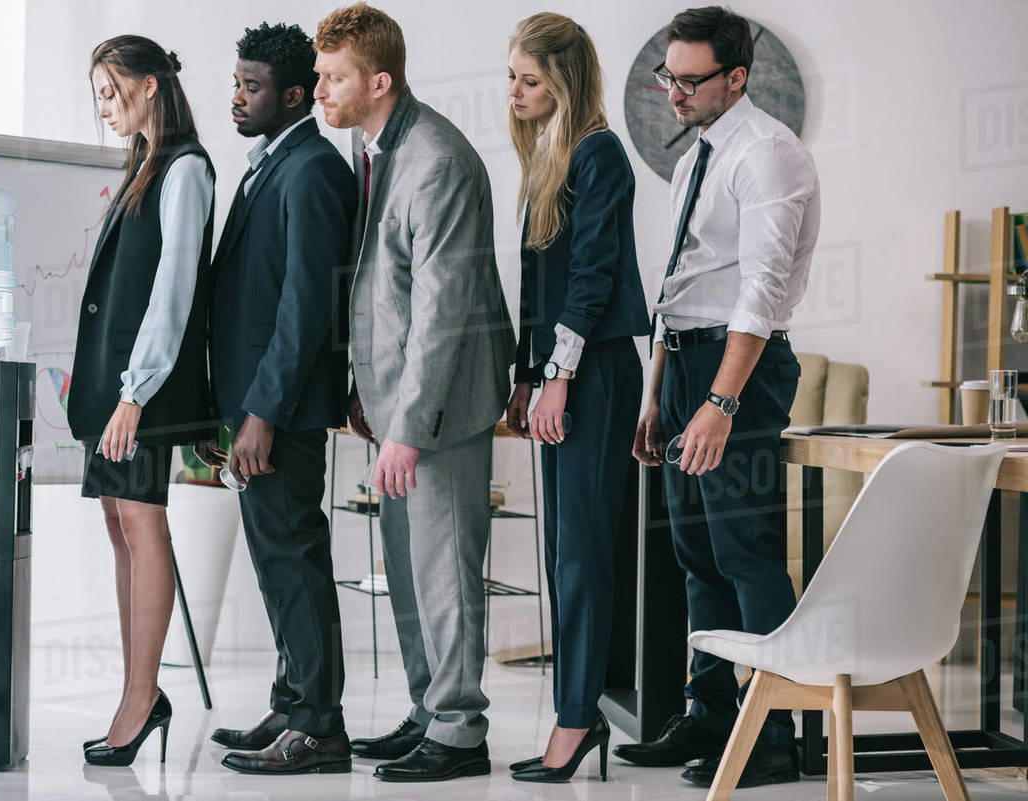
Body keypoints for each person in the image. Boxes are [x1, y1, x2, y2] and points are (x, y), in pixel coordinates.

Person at [313, 2, 515, 782]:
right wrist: (372, 396)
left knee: (444, 570)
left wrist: (411, 425)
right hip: (395, 403)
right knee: (406, 567)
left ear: (380, 80)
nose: (321, 90)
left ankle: (462, 729)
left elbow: (443, 309)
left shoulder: (436, 159)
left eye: (335, 78)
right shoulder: (377, 148)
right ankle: (430, 708)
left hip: (442, 404)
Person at [623, 5, 821, 790]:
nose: (674, 90)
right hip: (682, 367)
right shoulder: (696, 155)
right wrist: (656, 393)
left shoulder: (771, 155)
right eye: (669, 74)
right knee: (694, 554)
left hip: (739, 374)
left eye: (691, 78)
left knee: (745, 552)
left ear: (737, 76)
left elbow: (759, 297)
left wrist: (721, 402)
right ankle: (711, 713)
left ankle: (771, 734)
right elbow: (683, 292)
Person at [196, 21, 357, 776]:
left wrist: (260, 412)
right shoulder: (271, 164)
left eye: (252, 86)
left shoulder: (314, 169)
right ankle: (294, 702)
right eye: (236, 82)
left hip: (280, 412)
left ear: (295, 95)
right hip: (250, 406)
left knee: (294, 560)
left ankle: (320, 724)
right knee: (276, 563)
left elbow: (303, 307)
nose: (237, 97)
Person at [502, 12, 651, 784]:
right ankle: (576, 709)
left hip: (594, 370)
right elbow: (539, 285)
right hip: (561, 370)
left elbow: (592, 274)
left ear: (563, 81)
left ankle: (576, 716)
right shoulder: (547, 160)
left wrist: (558, 376)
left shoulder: (599, 155)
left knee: (583, 550)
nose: (518, 92)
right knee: (567, 551)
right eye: (513, 78)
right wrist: (526, 378)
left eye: (532, 79)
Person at [68, 34, 217, 767]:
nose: (104, 105)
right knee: (119, 521)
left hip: (144, 389)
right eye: (97, 93)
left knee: (141, 519)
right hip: (115, 387)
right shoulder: (143, 162)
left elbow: (175, 288)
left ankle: (141, 696)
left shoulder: (186, 169)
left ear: (151, 84)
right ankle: (139, 690)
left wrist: (135, 393)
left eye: (110, 89)